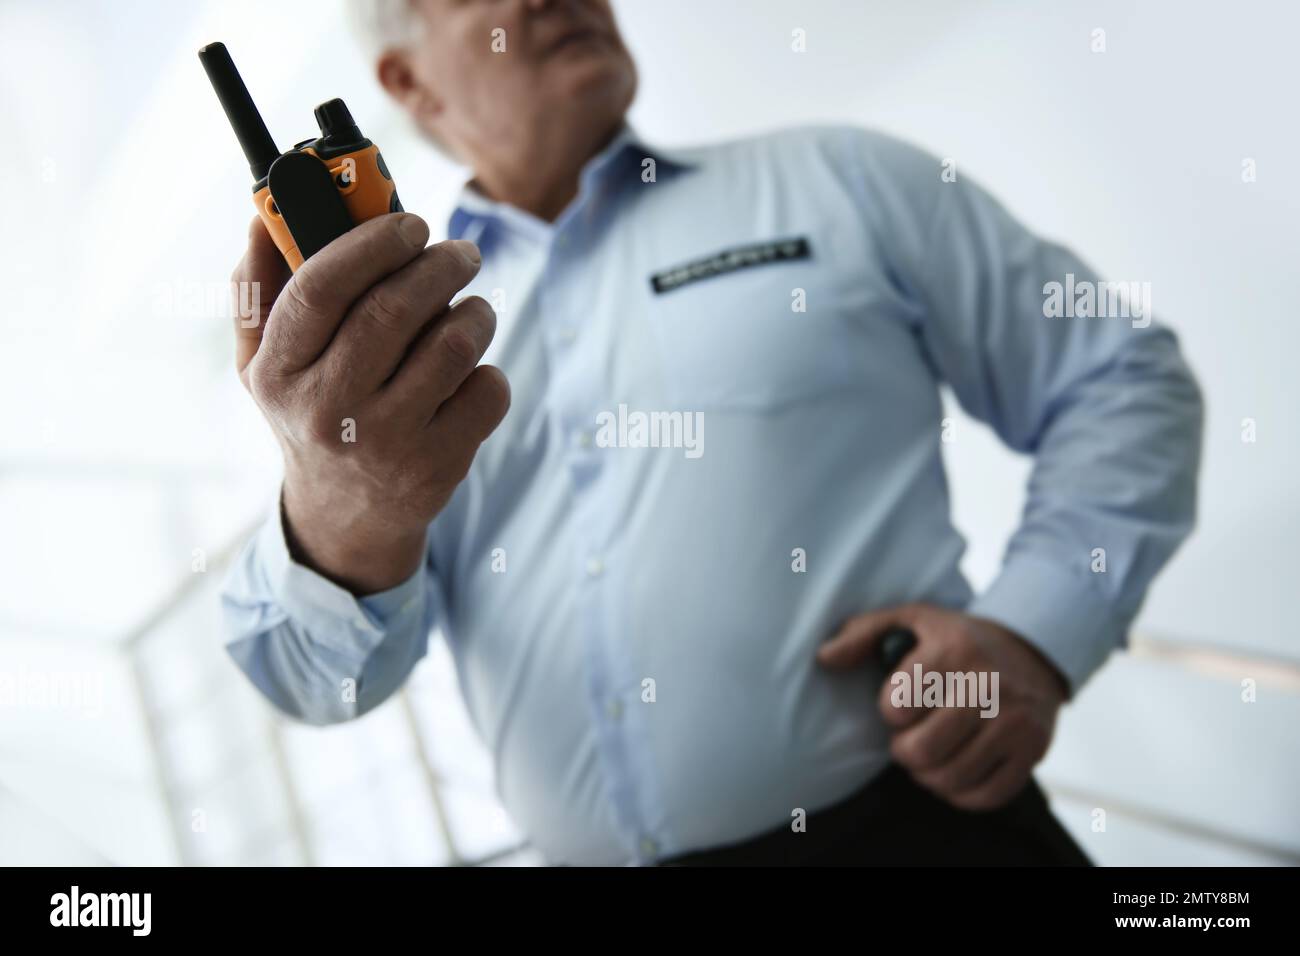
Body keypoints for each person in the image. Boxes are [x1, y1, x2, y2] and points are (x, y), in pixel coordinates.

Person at [221, 0, 1202, 866]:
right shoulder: (388, 363)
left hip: (922, 835)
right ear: (405, 80)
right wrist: (340, 509)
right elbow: (318, 686)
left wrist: (1033, 631)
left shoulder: (844, 180)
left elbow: (1121, 378)